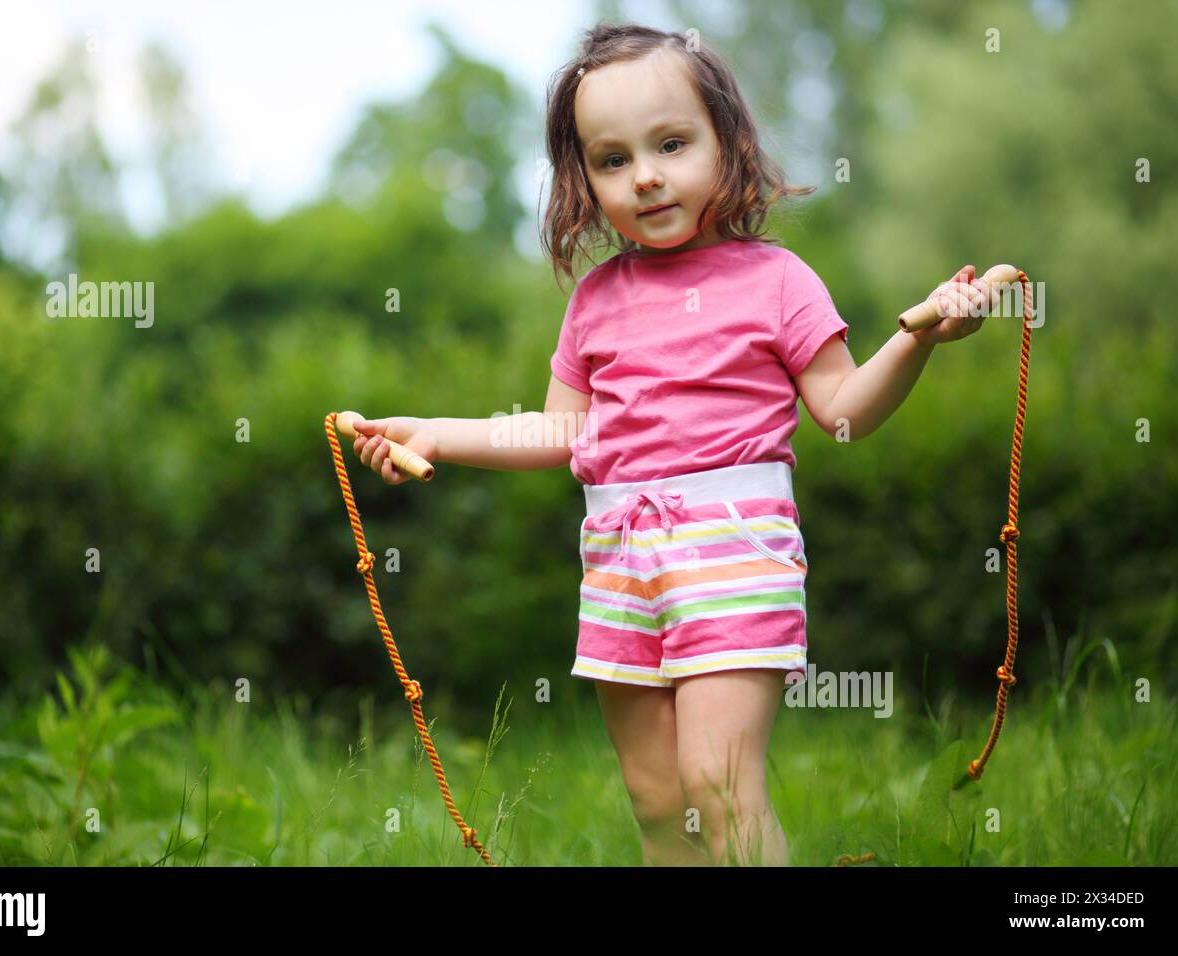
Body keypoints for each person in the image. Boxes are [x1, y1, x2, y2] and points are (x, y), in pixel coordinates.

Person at [348, 22, 993, 867]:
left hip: (734, 551)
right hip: (619, 564)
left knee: (719, 786)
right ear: (584, 178)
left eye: (673, 143)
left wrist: (918, 341)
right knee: (660, 804)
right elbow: (561, 430)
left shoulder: (778, 282)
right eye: (612, 160)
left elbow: (843, 410)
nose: (645, 175)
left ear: (727, 142)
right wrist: (435, 432)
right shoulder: (596, 301)